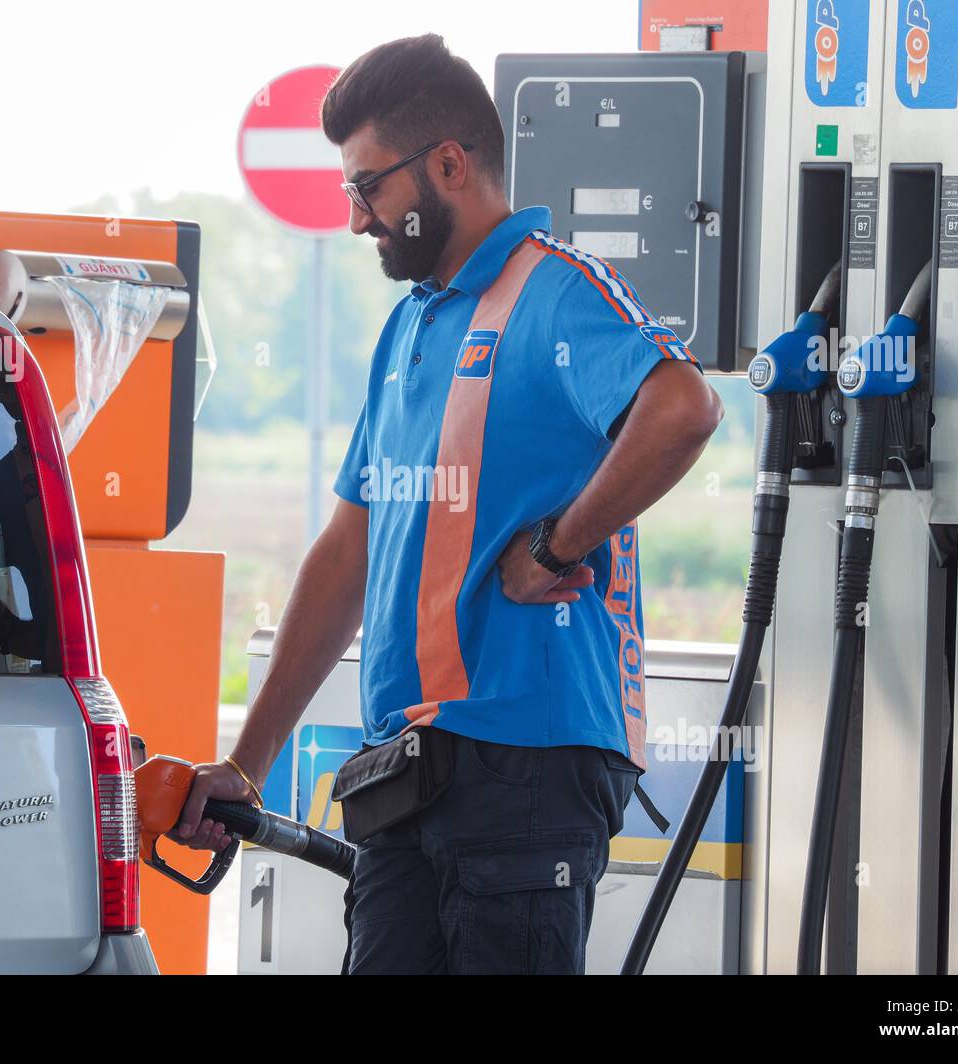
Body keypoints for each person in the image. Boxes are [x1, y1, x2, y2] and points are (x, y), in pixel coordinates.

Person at [171, 33, 724, 974]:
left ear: (449, 166)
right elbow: (351, 549)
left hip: (527, 764)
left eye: (367, 188)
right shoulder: (413, 325)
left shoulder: (556, 289)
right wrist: (249, 763)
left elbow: (684, 407)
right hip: (408, 773)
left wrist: (558, 546)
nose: (356, 219)